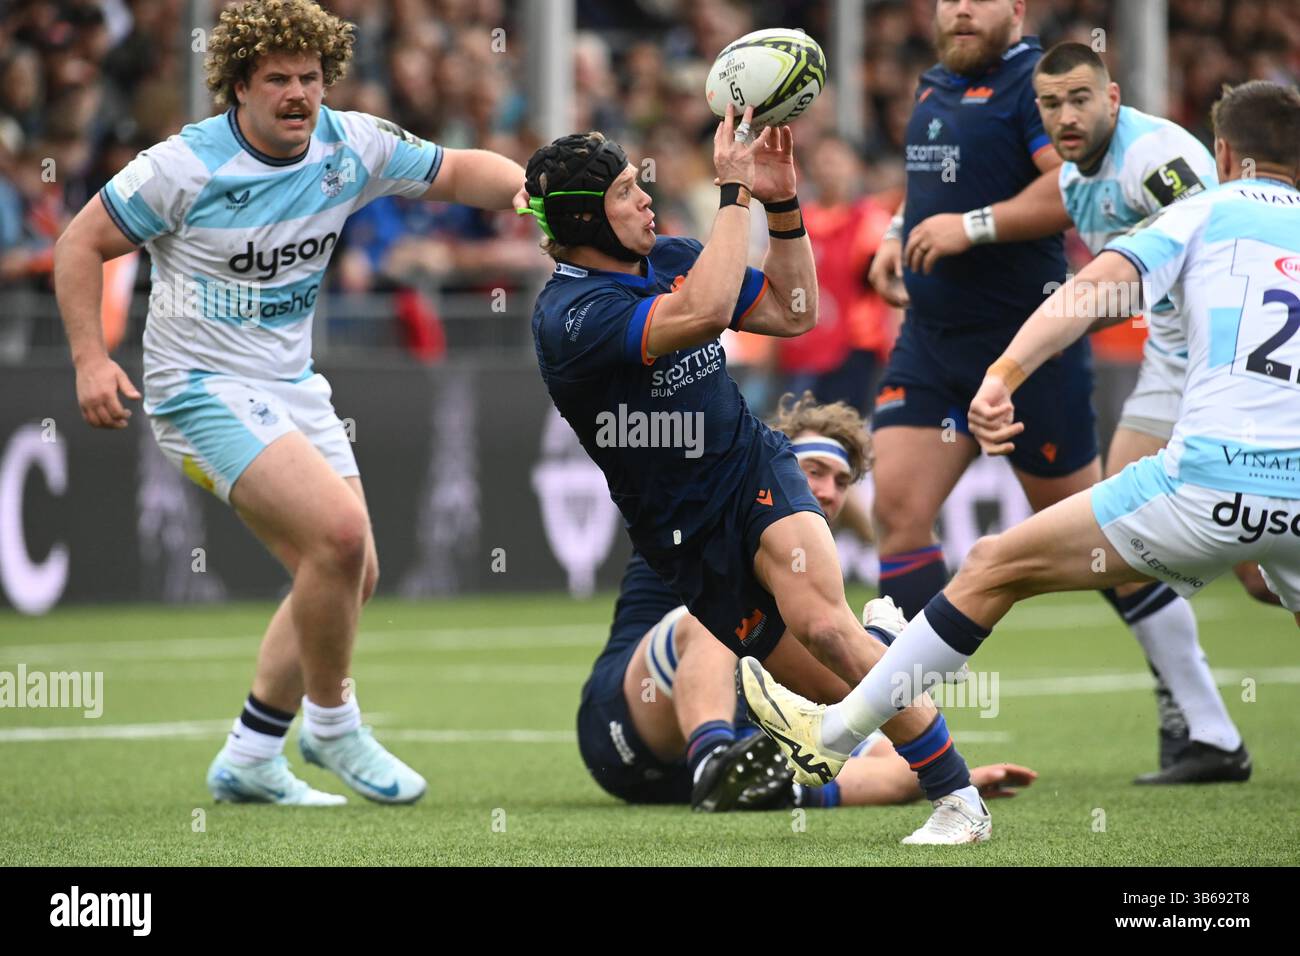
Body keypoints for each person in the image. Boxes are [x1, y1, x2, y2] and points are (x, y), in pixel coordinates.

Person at [740, 81, 1300, 800]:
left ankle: (837, 734)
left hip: (1207, 481)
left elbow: (1089, 291)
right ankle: (1211, 729)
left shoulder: (1201, 210)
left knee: (992, 566)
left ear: (1223, 153)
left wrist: (1003, 374)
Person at [53, 0, 529, 806]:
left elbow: (457, 171)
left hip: (291, 385)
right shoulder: (183, 166)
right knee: (339, 539)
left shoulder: (352, 144)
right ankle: (333, 724)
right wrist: (89, 361)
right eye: (277, 78)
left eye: (310, 77)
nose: (298, 93)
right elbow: (79, 243)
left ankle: (249, 754)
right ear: (239, 86)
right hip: (195, 390)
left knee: (352, 571)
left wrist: (543, 199)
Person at [522, 104, 994, 844]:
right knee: (836, 689)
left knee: (826, 629)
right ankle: (891, 694)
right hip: (686, 534)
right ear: (585, 224)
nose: (644, 196)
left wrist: (778, 202)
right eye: (623, 193)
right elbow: (707, 309)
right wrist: (733, 191)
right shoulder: (570, 317)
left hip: (752, 468)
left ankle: (958, 799)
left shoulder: (671, 256)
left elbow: (793, 311)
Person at [904, 41, 1258, 784]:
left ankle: (1208, 729)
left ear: (1114, 98)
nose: (1065, 116)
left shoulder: (1157, 160)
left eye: (1079, 100)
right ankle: (1210, 733)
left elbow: (1221, 260)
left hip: (1221, 358)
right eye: (1050, 104)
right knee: (1124, 541)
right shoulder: (1073, 173)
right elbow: (1120, 285)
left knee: (1254, 568)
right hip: (1171, 354)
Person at [578, 392, 1037, 811]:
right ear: (772, 464)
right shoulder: (715, 515)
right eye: (813, 472)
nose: (828, 492)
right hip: (624, 720)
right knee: (719, 624)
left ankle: (760, 786)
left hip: (708, 768)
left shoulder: (810, 583)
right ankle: (713, 761)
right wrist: (893, 646)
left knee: (898, 769)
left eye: (842, 482)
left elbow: (872, 727)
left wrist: (954, 776)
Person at [865, 1, 1095, 638]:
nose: (961, 9)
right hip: (931, 342)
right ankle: (907, 717)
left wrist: (970, 228)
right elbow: (934, 184)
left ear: (1017, 8)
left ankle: (1193, 705)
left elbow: (1070, 189)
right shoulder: (935, 81)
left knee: (1097, 542)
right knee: (899, 511)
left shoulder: (1040, 83)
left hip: (1025, 344)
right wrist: (896, 232)